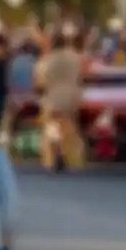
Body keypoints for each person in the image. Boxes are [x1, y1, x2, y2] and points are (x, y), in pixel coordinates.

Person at [34, 32, 85, 172]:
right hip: (72, 96)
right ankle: (71, 158)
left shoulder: (47, 59)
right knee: (69, 128)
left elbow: (40, 80)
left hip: (54, 96)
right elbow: (82, 75)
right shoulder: (75, 57)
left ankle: (55, 154)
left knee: (52, 126)